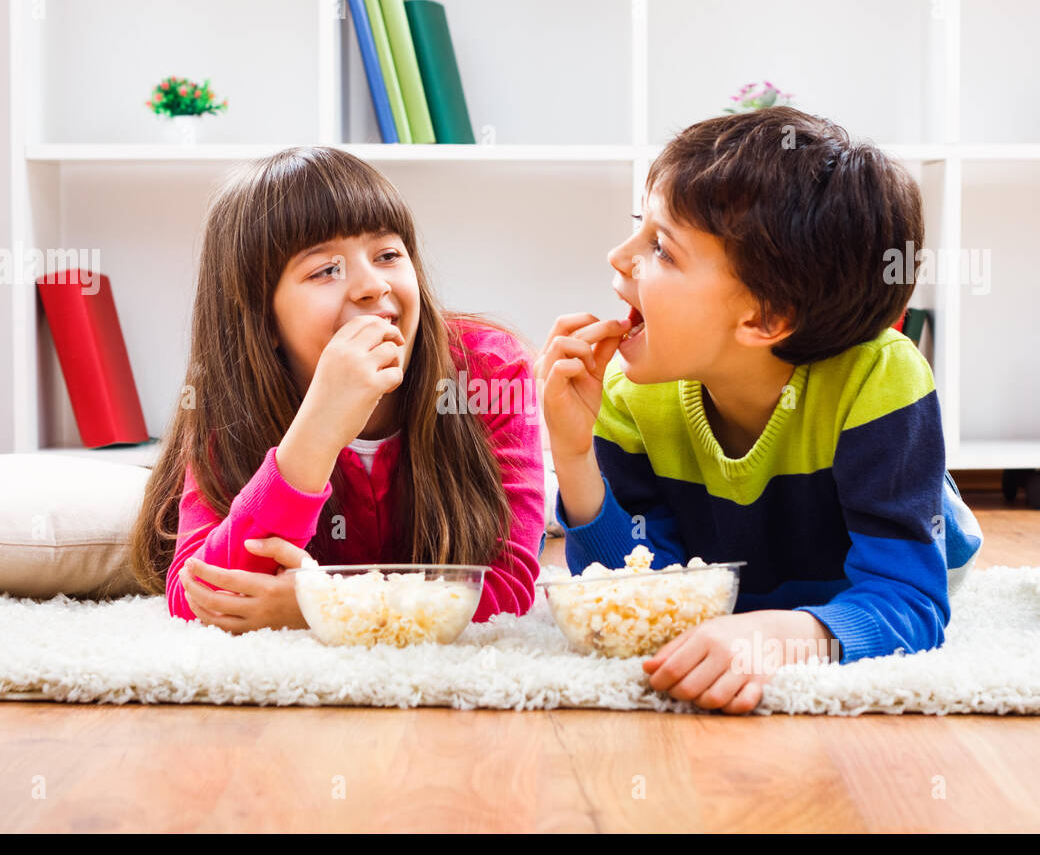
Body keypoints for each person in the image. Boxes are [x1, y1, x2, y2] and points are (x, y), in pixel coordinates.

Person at [536, 107, 983, 714]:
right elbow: (640, 592)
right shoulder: (629, 393)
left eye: (661, 250)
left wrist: (780, 636)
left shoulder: (882, 378)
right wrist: (574, 453)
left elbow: (907, 602)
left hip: (904, 547)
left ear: (765, 318)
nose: (618, 255)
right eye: (639, 227)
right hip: (742, 553)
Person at [129, 147, 544, 632]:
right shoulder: (231, 397)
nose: (371, 286)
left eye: (388, 255)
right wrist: (318, 431)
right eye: (325, 270)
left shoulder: (490, 371)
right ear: (263, 318)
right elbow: (206, 596)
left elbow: (508, 592)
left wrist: (326, 605)